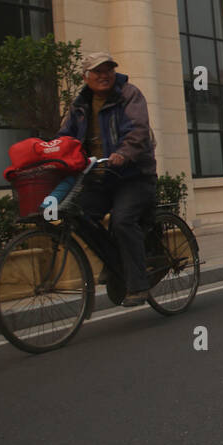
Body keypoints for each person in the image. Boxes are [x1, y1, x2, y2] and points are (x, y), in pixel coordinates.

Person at [56, 51, 158, 306]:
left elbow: (138, 129)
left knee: (123, 220)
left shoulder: (129, 94)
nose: (104, 76)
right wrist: (51, 155)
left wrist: (124, 153)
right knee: (80, 215)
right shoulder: (79, 105)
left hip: (133, 175)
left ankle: (138, 284)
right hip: (99, 176)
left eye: (108, 70)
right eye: (98, 72)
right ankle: (114, 262)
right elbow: (65, 137)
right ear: (85, 76)